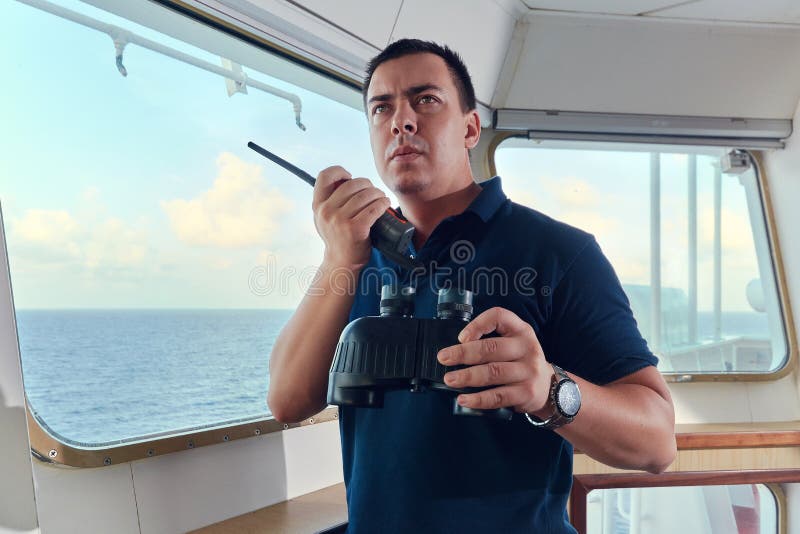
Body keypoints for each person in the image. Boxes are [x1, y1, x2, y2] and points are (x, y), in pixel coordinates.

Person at [267, 39, 676, 533]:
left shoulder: (560, 253)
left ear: (470, 128)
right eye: (382, 108)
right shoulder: (352, 254)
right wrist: (340, 255)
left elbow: (656, 442)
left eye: (426, 99)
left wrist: (548, 389)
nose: (402, 120)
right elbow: (288, 401)